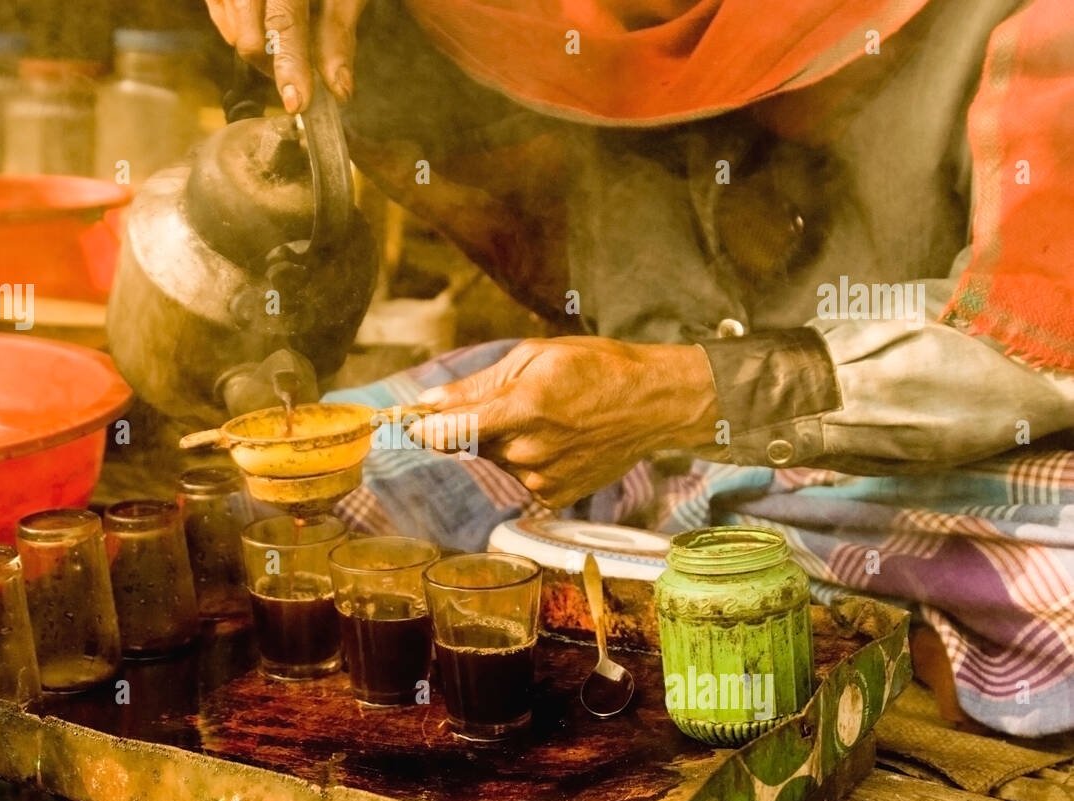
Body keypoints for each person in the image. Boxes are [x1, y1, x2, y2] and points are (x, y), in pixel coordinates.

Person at [204, 0, 1074, 737]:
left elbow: (1034, 347)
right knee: (289, 496)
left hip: (910, 459)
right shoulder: (563, 21)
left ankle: (799, 602)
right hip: (620, 428)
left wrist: (674, 393)